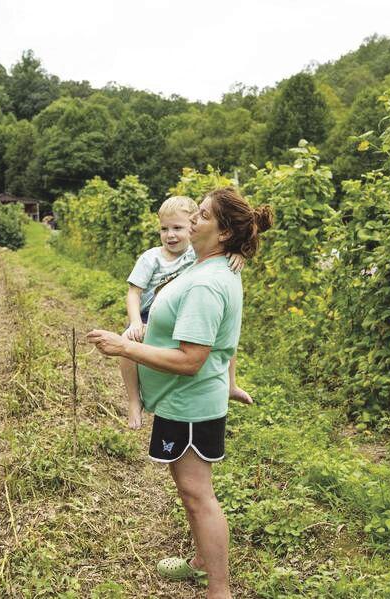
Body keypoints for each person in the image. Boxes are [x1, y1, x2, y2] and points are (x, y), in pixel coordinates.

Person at [88, 187, 273, 599]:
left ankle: (219, 591)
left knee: (197, 494)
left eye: (202, 215)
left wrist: (124, 348)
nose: (192, 219)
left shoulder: (207, 283)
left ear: (223, 233)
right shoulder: (206, 263)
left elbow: (192, 360)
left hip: (189, 404)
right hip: (180, 401)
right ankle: (201, 562)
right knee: (189, 492)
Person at [119, 196, 242, 429]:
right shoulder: (151, 258)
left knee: (225, 339)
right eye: (164, 229)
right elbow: (134, 293)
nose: (170, 235)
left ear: (191, 227)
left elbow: (221, 248)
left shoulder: (196, 254)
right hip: (149, 316)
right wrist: (135, 322)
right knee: (127, 345)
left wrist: (237, 253)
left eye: (177, 228)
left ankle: (231, 384)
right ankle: (134, 400)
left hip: (183, 313)